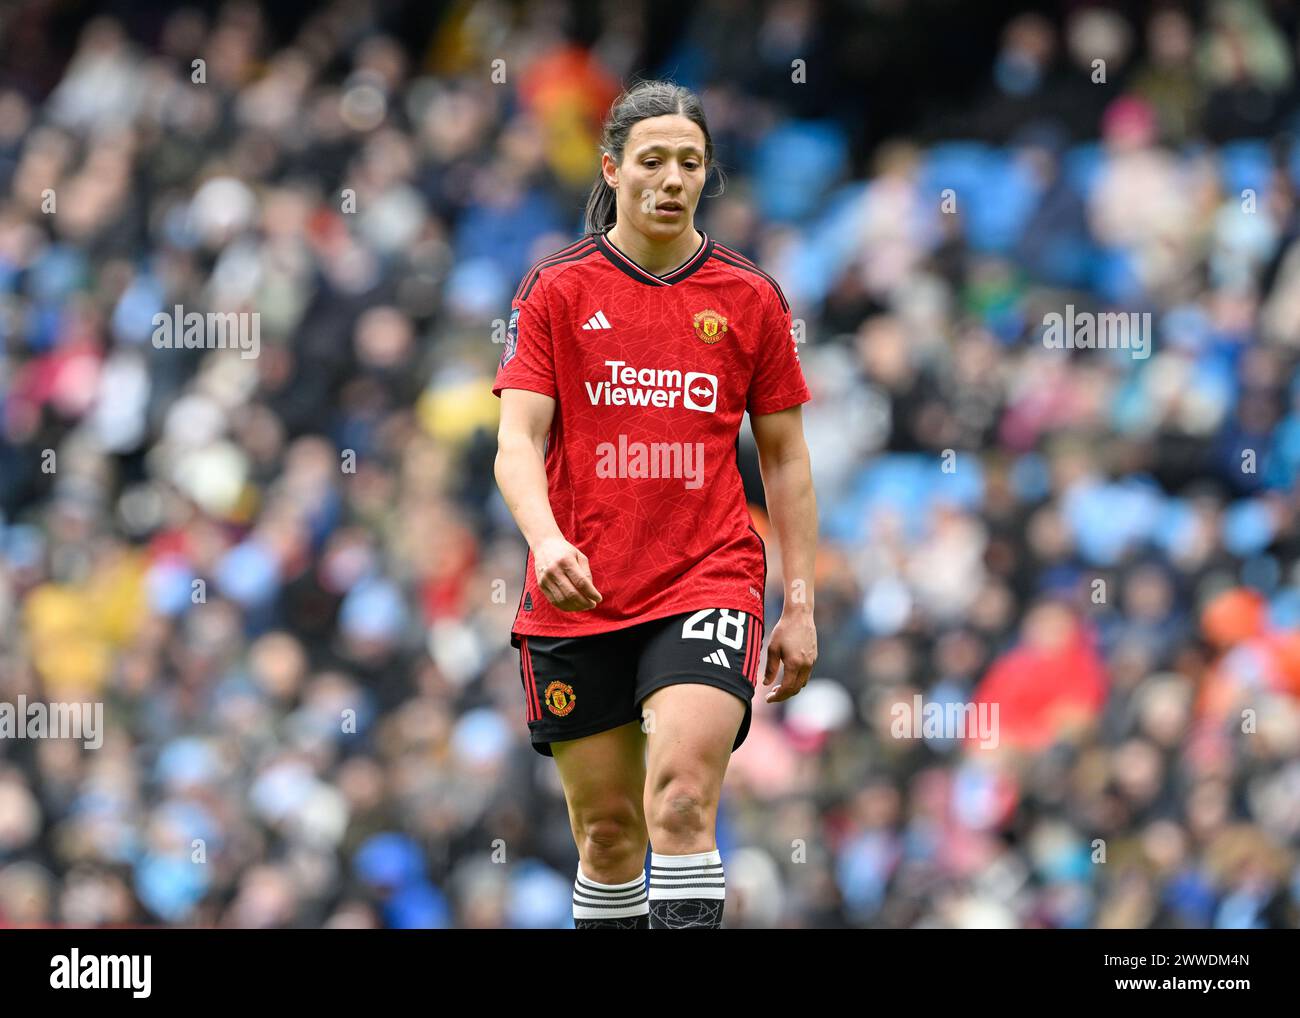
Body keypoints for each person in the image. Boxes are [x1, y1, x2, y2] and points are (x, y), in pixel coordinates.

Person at [492, 80, 818, 929]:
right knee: (607, 834)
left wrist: (802, 604)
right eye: (653, 162)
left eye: (691, 164)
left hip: (707, 576)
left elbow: (785, 459)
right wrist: (547, 539)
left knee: (677, 802)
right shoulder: (556, 291)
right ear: (613, 168)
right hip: (580, 590)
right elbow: (517, 443)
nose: (672, 180)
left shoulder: (750, 298)